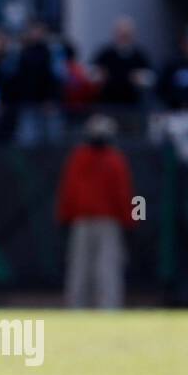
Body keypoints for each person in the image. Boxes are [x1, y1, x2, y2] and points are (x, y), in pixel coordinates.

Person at [56, 114, 132, 310]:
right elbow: (124, 193)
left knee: (92, 268)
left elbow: (123, 192)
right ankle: (103, 308)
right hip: (98, 221)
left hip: (97, 220)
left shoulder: (89, 158)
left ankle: (86, 307)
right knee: (96, 268)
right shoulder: (103, 158)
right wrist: (129, 220)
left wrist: (64, 216)